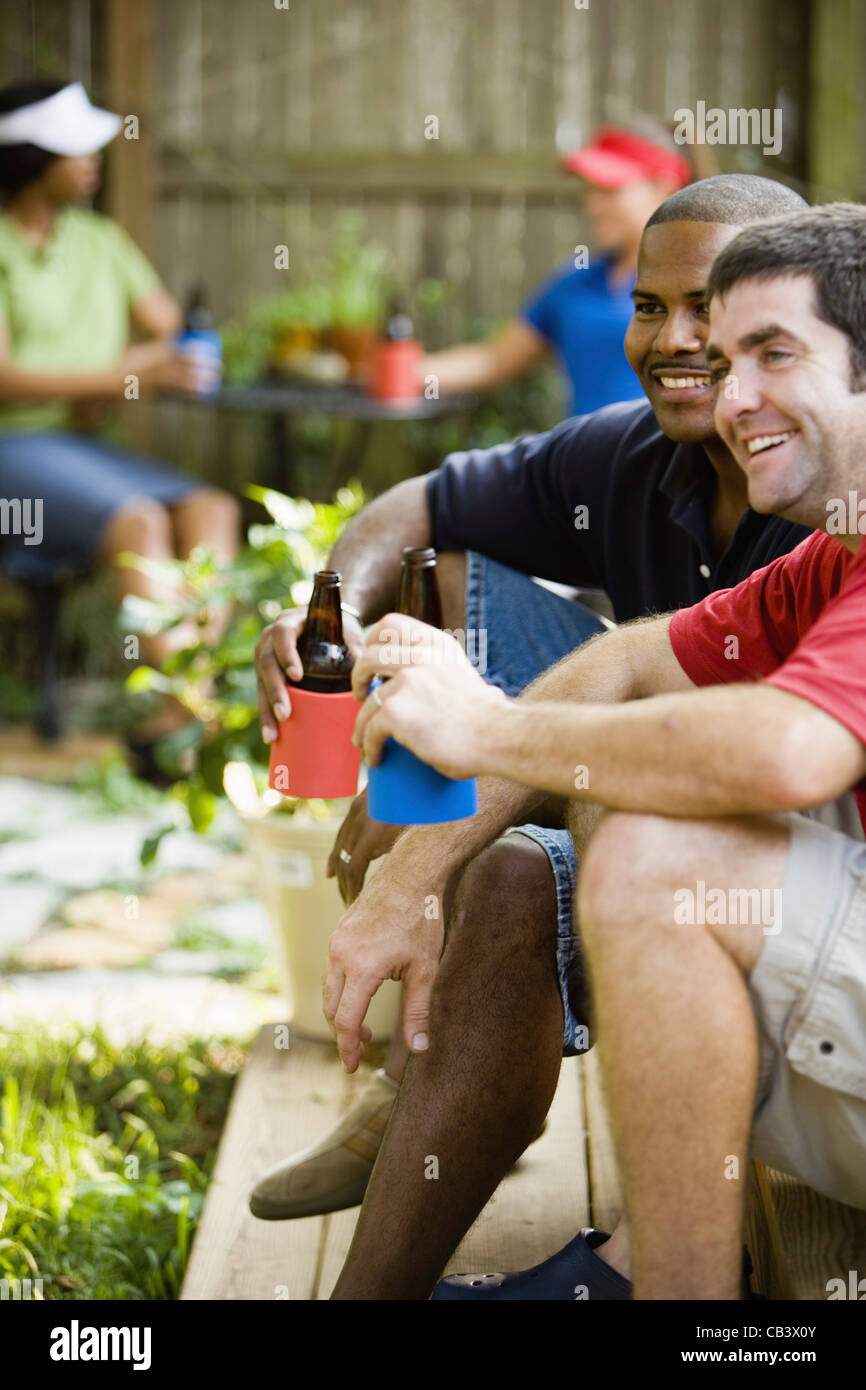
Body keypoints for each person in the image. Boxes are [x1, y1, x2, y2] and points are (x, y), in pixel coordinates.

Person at [249, 176, 813, 1259]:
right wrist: (320, 612)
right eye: (647, 307)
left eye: (709, 306)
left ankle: (438, 1072)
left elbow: (693, 750)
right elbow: (413, 507)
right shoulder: (632, 454)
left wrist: (425, 844)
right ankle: (426, 1076)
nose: (670, 339)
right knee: (434, 576)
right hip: (633, 755)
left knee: (512, 867)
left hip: (746, 850)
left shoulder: (819, 499)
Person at [0, 79, 240, 746]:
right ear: (28, 157)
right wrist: (127, 371)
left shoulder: (99, 238)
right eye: (74, 149)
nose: (93, 160)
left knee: (210, 509)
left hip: (80, 447)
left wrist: (181, 359)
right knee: (138, 521)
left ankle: (183, 703)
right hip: (12, 451)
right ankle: (198, 710)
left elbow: (175, 330)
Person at [422, 122, 693, 416]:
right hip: (581, 458)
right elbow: (493, 360)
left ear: (665, 188)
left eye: (608, 190)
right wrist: (406, 372)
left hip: (663, 460)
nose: (592, 204)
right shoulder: (577, 283)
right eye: (590, 190)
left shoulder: (702, 284)